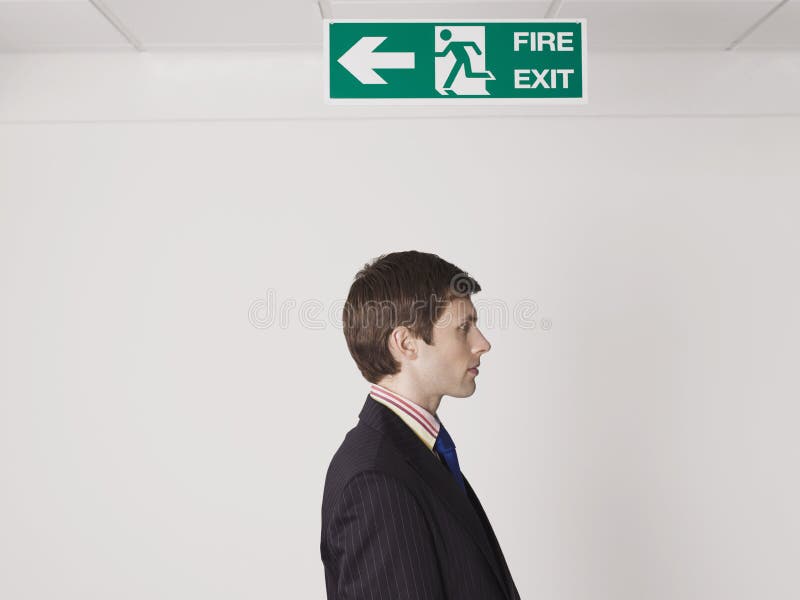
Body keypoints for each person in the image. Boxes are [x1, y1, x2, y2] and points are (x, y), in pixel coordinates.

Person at [320, 250, 521, 599]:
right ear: (406, 343)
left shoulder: (416, 451)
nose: (483, 343)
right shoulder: (376, 482)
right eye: (463, 328)